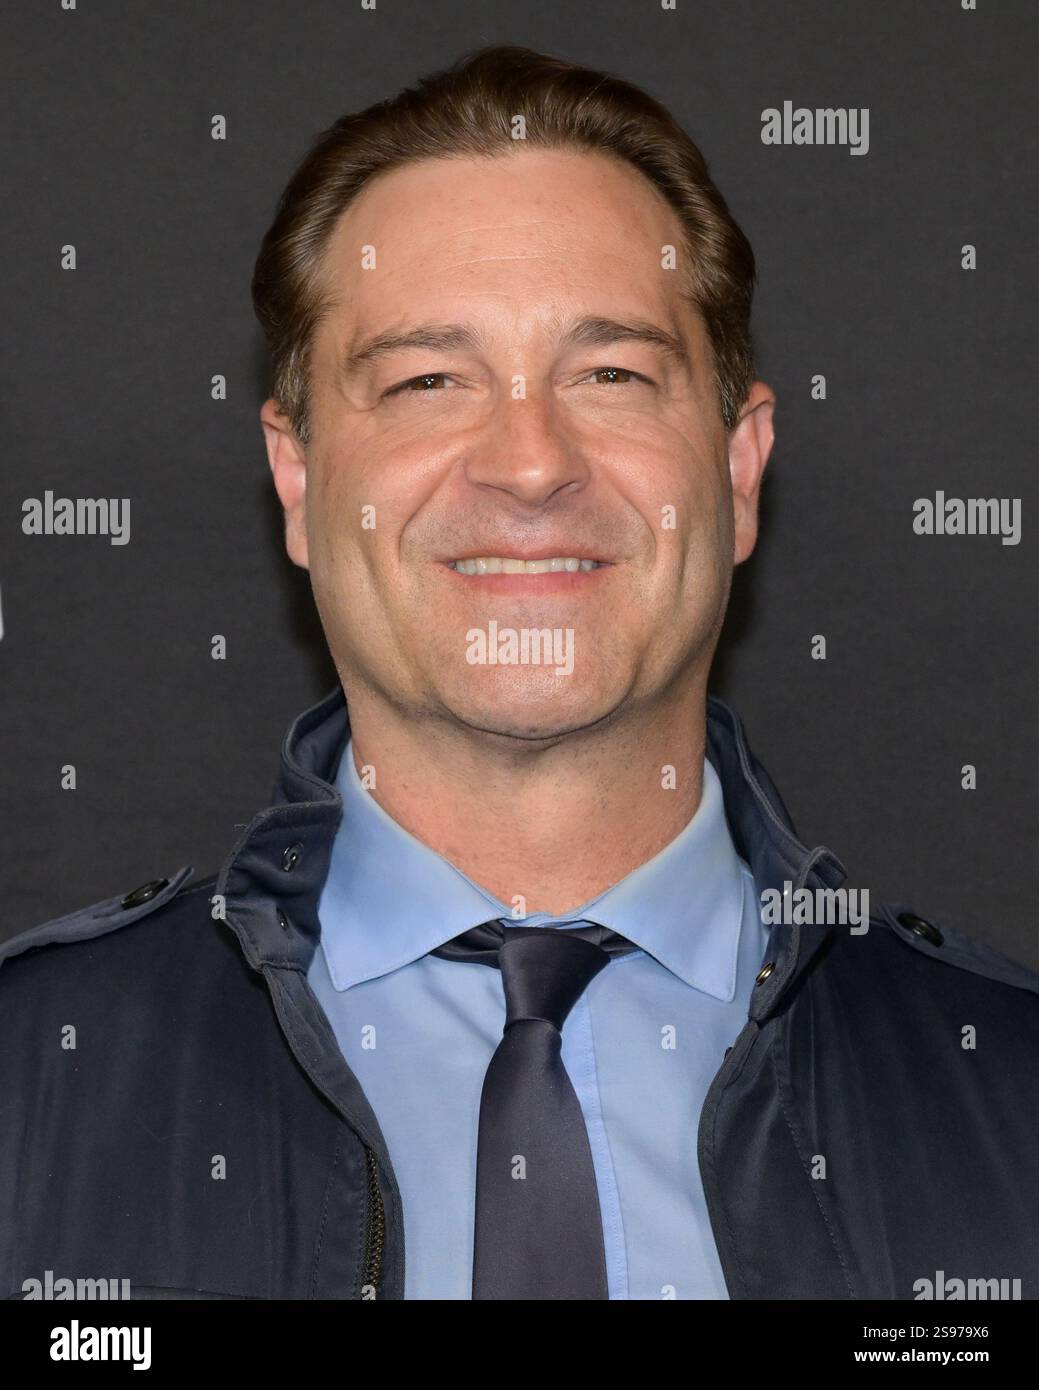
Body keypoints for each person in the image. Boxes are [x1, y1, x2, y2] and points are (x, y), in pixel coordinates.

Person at [3, 44, 1038, 1303]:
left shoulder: (1007, 1089)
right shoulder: (31, 1084)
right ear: (298, 475)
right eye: (427, 380)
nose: (530, 460)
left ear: (737, 465)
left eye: (610, 373)